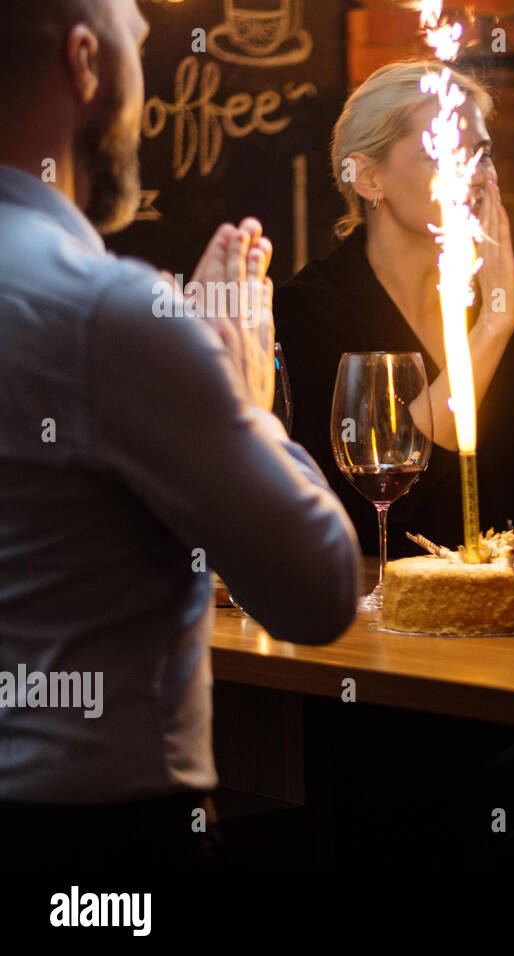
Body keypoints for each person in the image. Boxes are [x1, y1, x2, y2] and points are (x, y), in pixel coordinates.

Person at [0, 0, 361, 865]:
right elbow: (318, 590)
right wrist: (239, 395)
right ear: (85, 64)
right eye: (135, 35)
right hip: (94, 844)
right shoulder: (106, 313)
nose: (145, 58)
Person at [275, 60, 514, 558]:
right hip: (385, 618)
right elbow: (377, 497)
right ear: (369, 177)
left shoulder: (500, 288)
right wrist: (492, 329)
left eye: (482, 154)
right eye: (443, 154)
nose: (475, 175)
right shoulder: (308, 309)